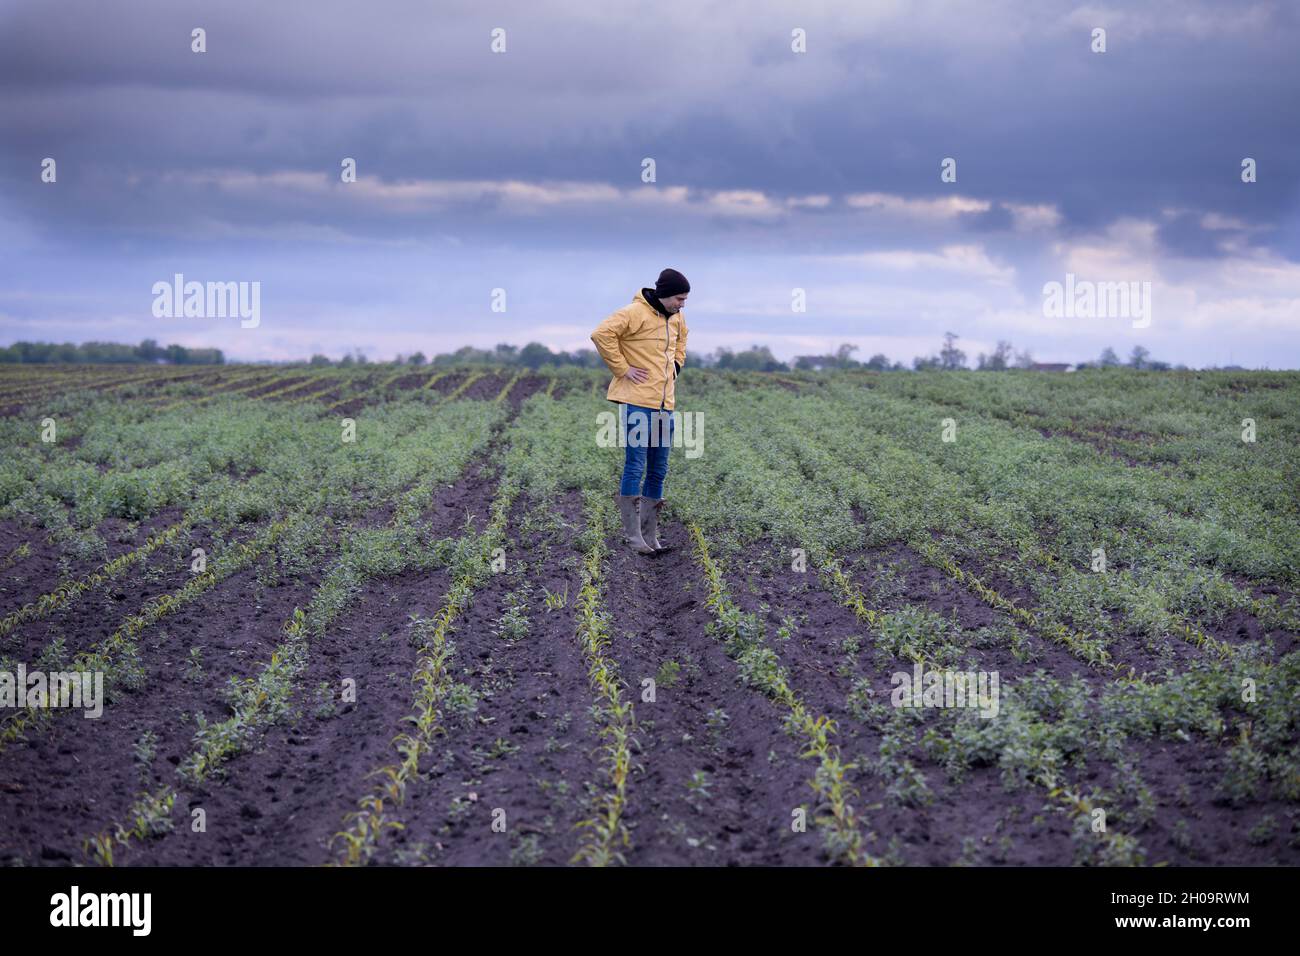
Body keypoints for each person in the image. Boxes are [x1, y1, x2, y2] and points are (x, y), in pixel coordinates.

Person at [590, 268, 690, 555]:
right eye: (679, 299)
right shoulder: (634, 312)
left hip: (664, 405)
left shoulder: (678, 318)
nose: (682, 304)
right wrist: (622, 369)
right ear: (665, 294)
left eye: (685, 299)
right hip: (637, 402)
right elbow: (601, 334)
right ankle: (634, 538)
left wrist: (676, 367)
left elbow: (682, 343)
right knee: (635, 466)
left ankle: (651, 537)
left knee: (659, 469)